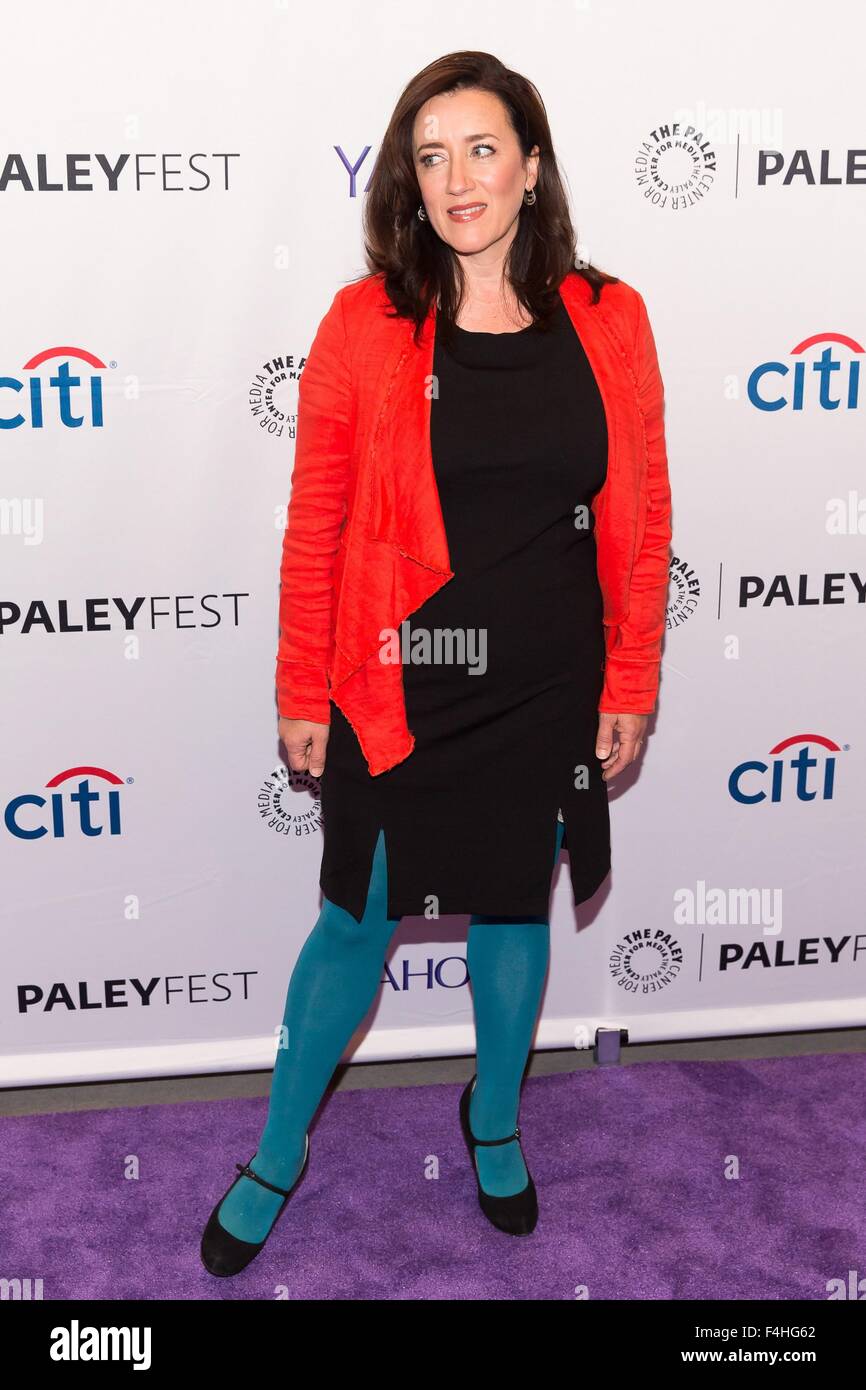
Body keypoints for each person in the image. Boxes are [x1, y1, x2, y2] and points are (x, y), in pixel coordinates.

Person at [201, 49, 672, 1276]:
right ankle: (276, 1149)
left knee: (515, 902)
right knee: (355, 921)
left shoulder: (609, 317)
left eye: (480, 148)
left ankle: (496, 1117)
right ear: (406, 183)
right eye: (429, 155)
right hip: (393, 678)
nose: (457, 177)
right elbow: (315, 520)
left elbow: (642, 513)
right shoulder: (367, 325)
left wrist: (630, 680)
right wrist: (301, 684)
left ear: (530, 164)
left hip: (547, 680)